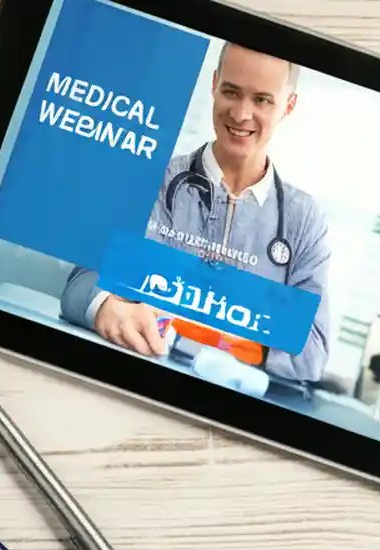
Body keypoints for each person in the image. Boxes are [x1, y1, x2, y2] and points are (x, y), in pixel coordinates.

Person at [61, 43, 332, 382]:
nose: (241, 114)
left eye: (262, 100)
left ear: (288, 106)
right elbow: (79, 286)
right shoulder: (149, 179)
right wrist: (104, 306)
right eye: (231, 92)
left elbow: (311, 350)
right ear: (214, 84)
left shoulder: (303, 221)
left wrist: (192, 329)